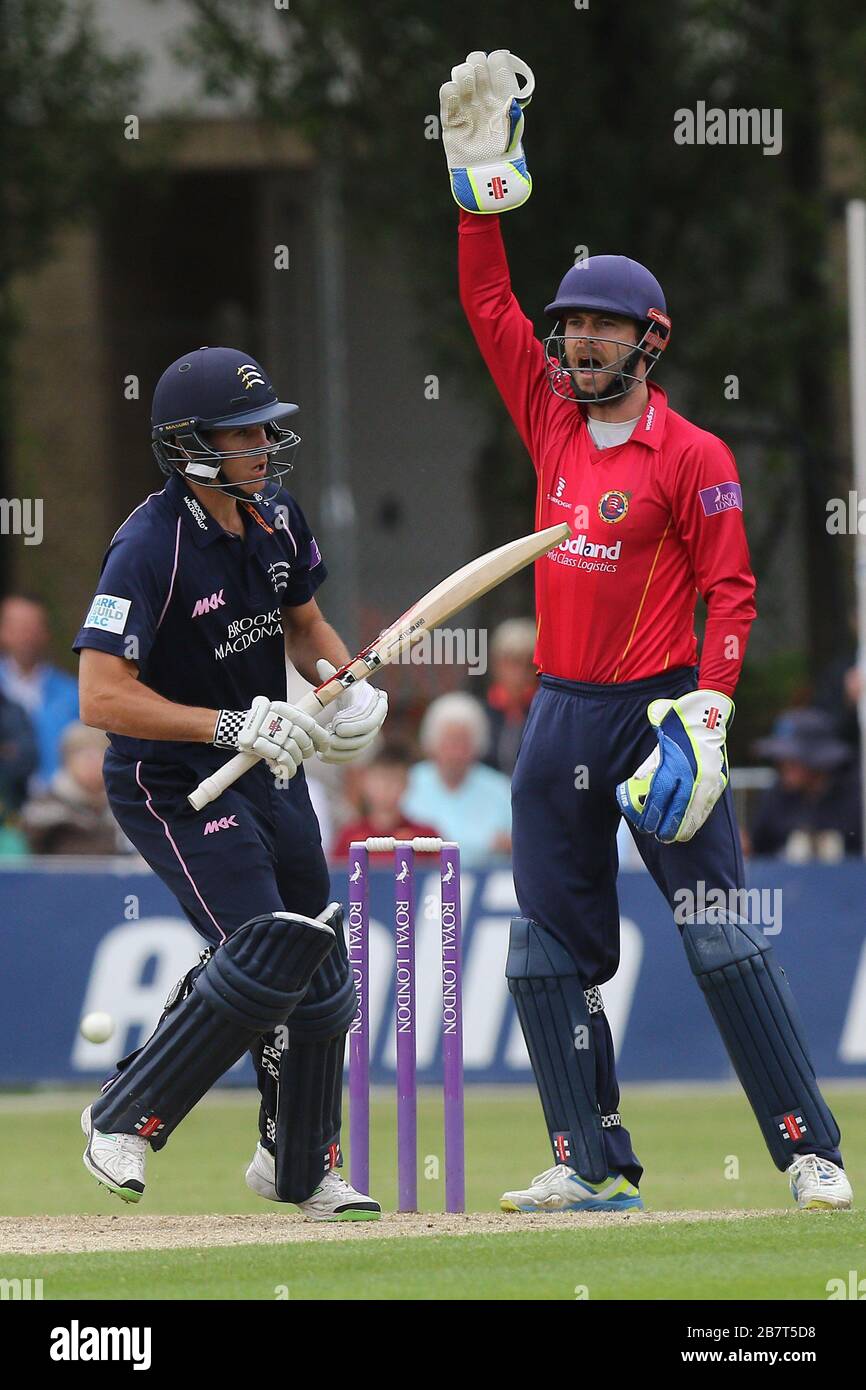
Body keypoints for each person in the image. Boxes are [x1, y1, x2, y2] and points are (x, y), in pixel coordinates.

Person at [441, 49, 851, 1213]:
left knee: (717, 934)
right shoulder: (547, 421)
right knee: (544, 950)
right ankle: (588, 1162)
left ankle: (806, 1148)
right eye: (568, 327)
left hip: (663, 708)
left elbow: (732, 591)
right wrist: (478, 190)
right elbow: (483, 306)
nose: (574, 344)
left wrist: (711, 709)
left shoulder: (694, 456)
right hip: (560, 710)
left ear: (648, 342)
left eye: (599, 331)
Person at [73, 346, 388, 1219]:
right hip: (173, 778)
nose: (264, 444)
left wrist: (349, 682)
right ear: (190, 444)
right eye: (245, 431)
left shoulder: (276, 514)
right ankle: (121, 1117)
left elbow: (307, 623)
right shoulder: (148, 547)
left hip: (271, 761)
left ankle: (300, 1165)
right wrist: (222, 724)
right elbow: (101, 695)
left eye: (264, 428)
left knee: (320, 965)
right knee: (262, 949)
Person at [403, 692, 511, 865]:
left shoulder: (501, 788)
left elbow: (518, 844)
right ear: (432, 742)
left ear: (477, 744)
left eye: (463, 742)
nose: (456, 752)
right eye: (450, 742)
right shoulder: (409, 782)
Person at [749, 709, 861, 859]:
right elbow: (758, 848)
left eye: (792, 759)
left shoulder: (855, 797)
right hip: (785, 881)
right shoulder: (776, 795)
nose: (784, 765)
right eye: (781, 759)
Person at [0, 595, 79, 788]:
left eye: (32, 627)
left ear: (45, 633)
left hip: (55, 802)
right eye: (17, 627)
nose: (25, 636)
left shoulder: (72, 693)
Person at [21, 723, 125, 856]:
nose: (93, 764)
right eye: (87, 756)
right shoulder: (44, 808)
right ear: (68, 760)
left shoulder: (124, 805)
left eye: (101, 755)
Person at [331, 743, 442, 861]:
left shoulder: (424, 836)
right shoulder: (350, 836)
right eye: (379, 779)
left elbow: (440, 875)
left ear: (406, 784)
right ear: (364, 782)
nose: (385, 788)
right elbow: (336, 875)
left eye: (394, 780)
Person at [484, 618, 537, 775]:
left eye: (529, 664)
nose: (521, 673)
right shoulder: (481, 713)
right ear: (496, 663)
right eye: (513, 662)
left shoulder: (546, 715)